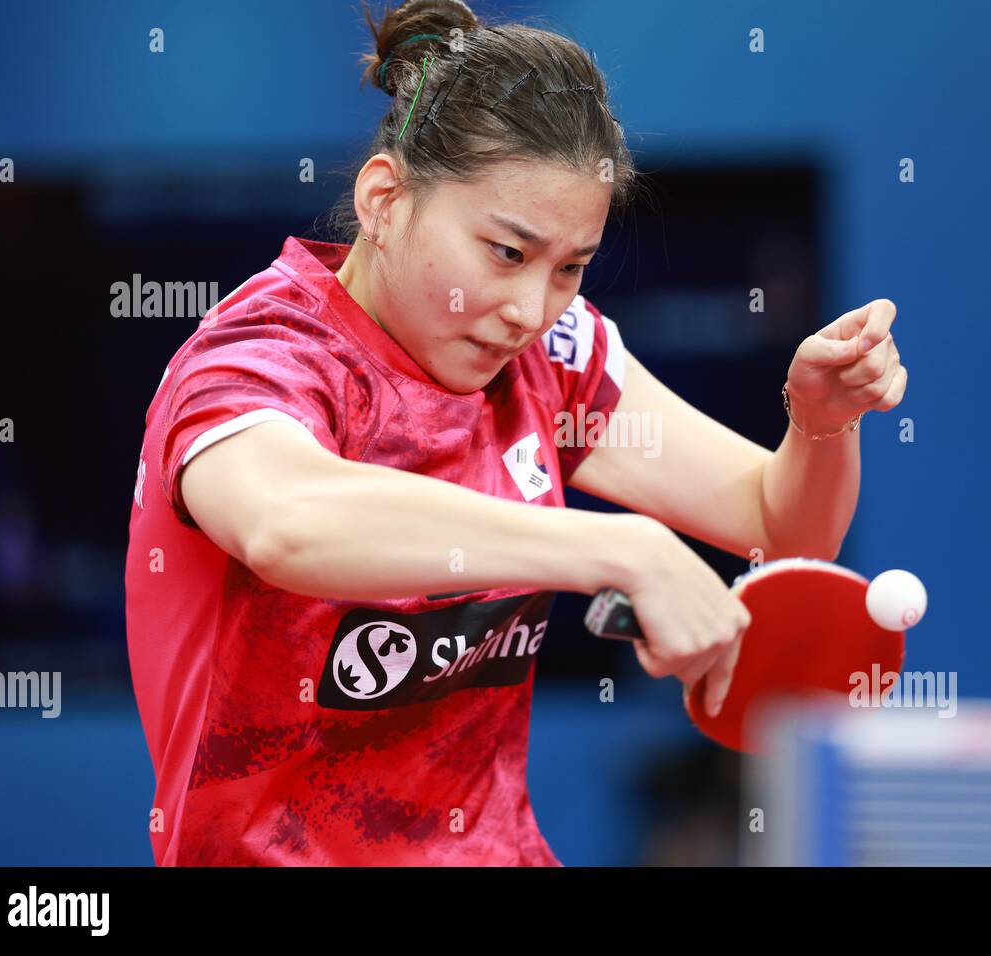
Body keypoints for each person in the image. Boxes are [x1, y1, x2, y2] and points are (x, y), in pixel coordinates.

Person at [124, 0, 907, 866]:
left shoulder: (553, 358)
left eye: (570, 268)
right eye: (506, 252)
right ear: (384, 200)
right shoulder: (261, 358)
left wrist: (822, 425)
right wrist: (620, 551)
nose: (531, 310)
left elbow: (782, 527)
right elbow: (287, 521)